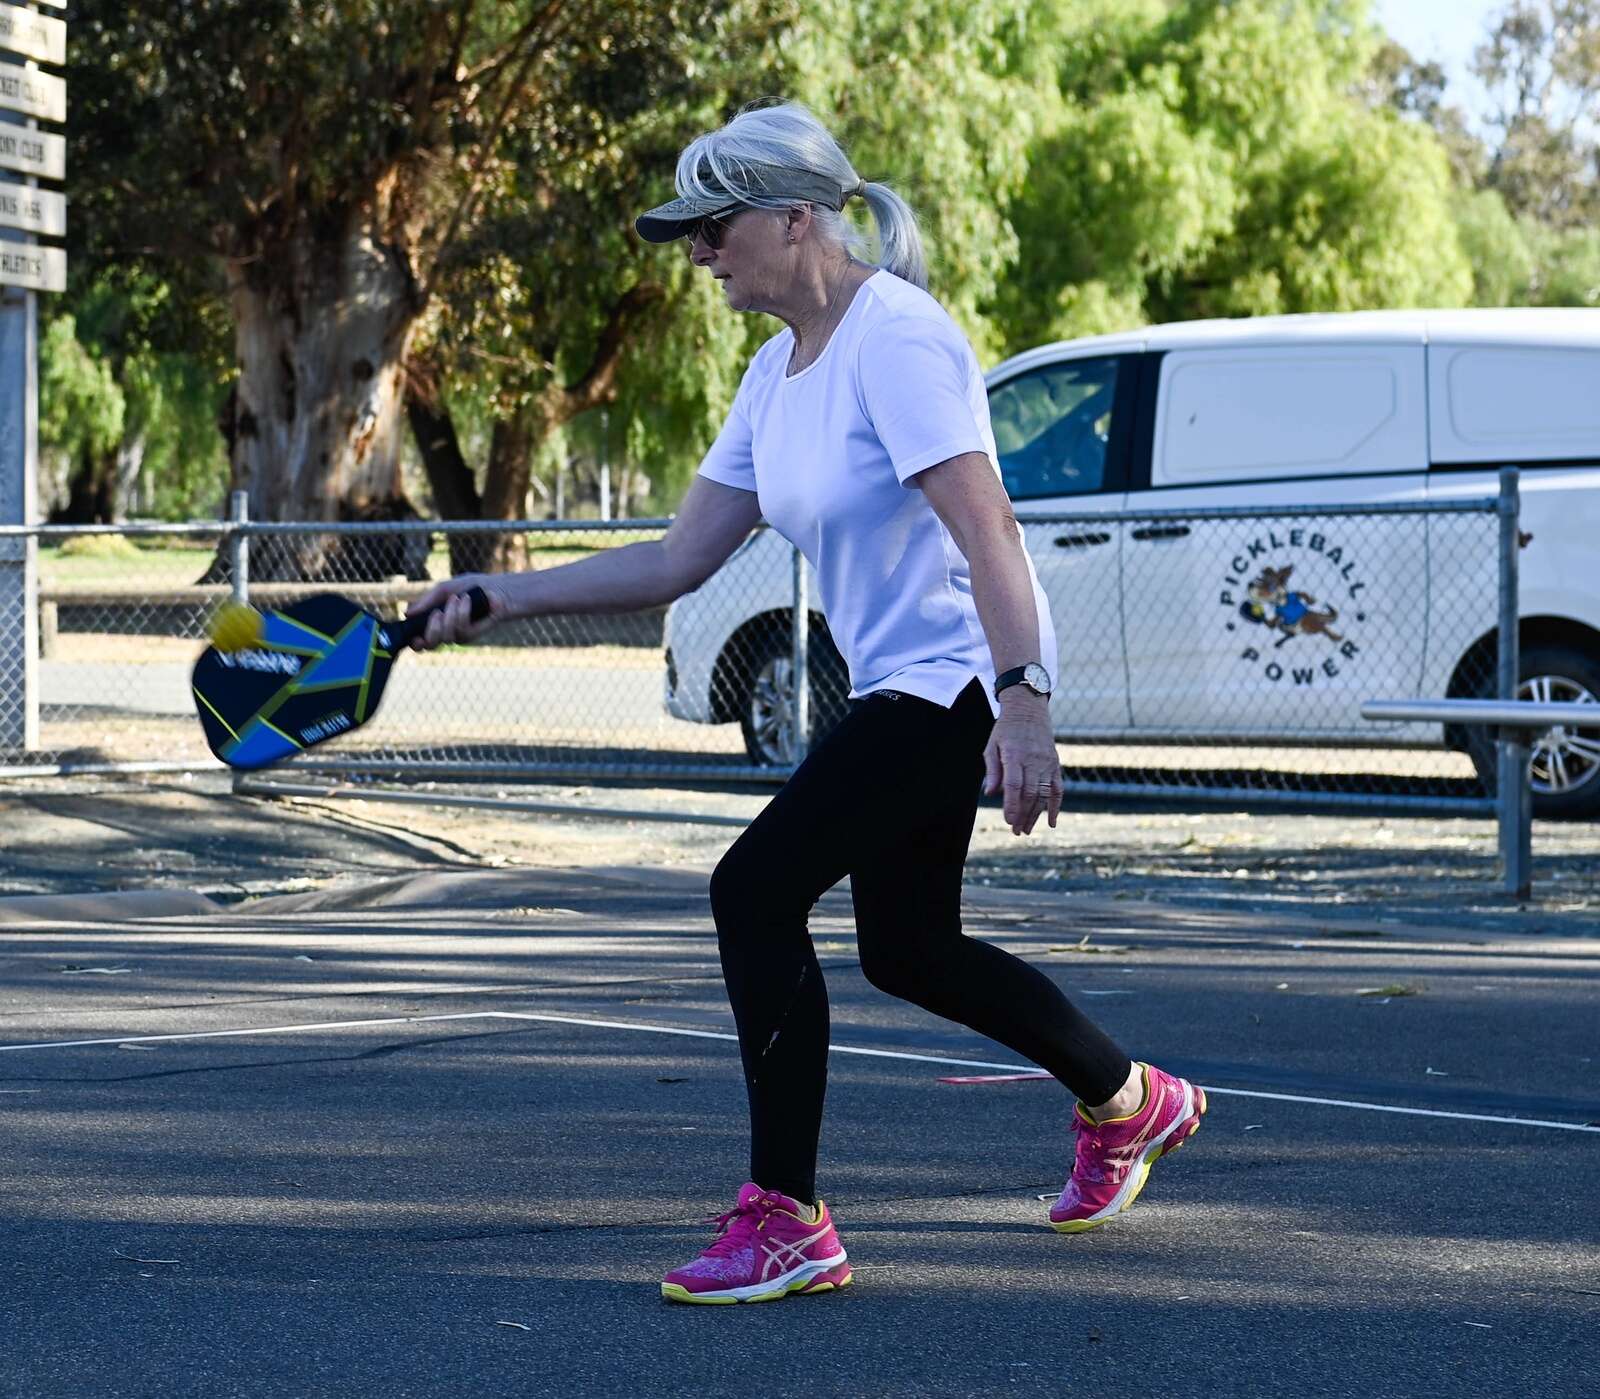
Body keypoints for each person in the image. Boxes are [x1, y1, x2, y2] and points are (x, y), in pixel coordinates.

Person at [406, 101, 1205, 1306]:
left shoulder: (898, 338)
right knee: (908, 949)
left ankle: (788, 1218)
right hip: (894, 685)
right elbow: (677, 561)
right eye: (685, 232)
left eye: (711, 226)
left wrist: (1024, 699)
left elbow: (987, 524)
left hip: (949, 683)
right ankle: (1130, 1099)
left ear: (795, 218)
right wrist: (497, 593)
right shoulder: (773, 374)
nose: (695, 251)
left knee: (754, 887)